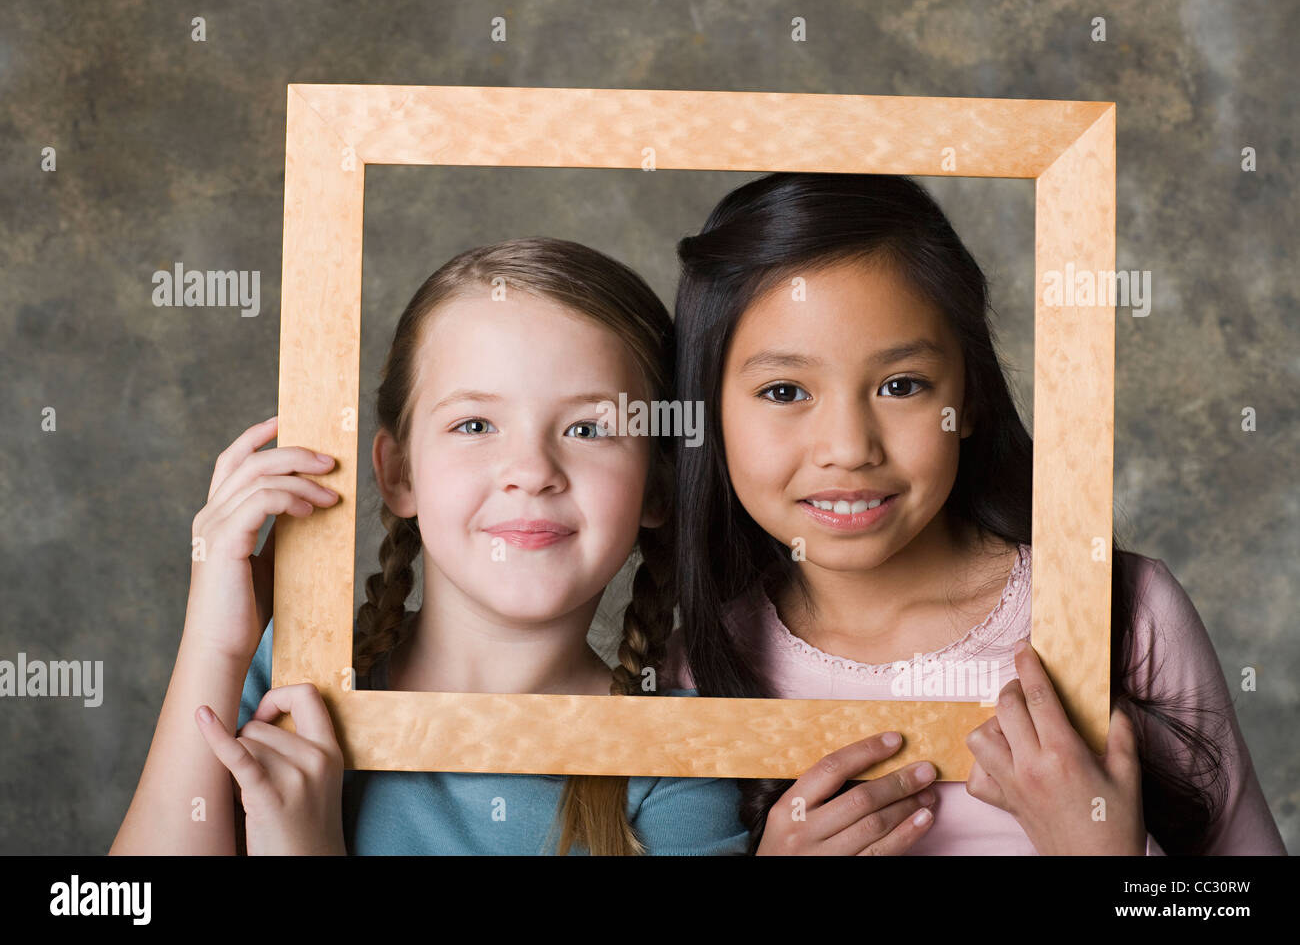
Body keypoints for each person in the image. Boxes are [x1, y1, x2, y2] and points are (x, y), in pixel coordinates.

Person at [666, 172, 1287, 855]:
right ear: (708, 414)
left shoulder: (1125, 612)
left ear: (971, 397)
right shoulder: (705, 665)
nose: (848, 449)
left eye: (902, 386)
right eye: (784, 391)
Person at [112, 237, 750, 855]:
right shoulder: (289, 673)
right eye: (474, 424)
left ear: (657, 487)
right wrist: (215, 643)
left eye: (588, 427)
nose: (530, 470)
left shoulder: (681, 759)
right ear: (400, 474)